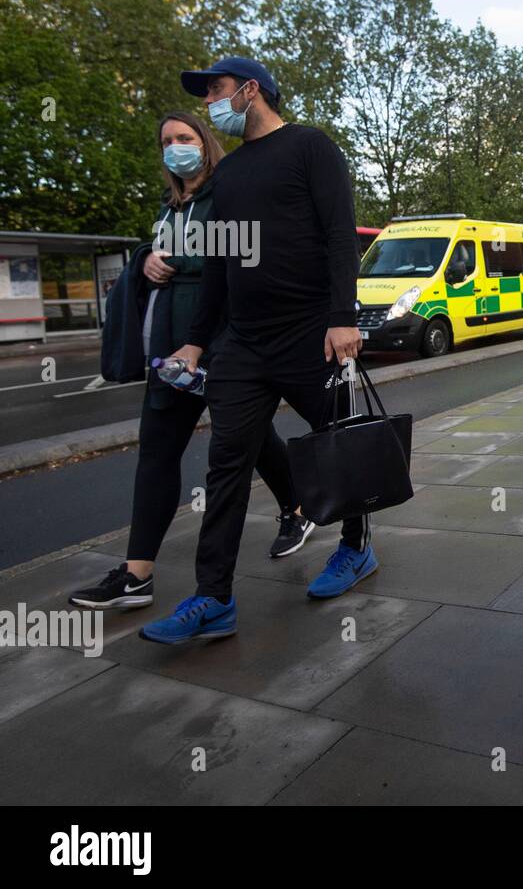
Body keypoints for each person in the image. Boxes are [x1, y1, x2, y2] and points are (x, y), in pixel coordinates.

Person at [139, 57, 376, 644]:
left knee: (342, 448)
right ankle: (213, 598)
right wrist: (196, 341)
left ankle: (354, 549)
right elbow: (219, 261)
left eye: (217, 90)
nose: (211, 102)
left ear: (251, 91)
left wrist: (342, 318)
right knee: (226, 465)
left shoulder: (310, 148)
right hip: (243, 344)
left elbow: (338, 234)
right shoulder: (233, 173)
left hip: (309, 335)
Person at [69, 112, 316, 612]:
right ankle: (137, 575)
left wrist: (180, 260)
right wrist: (145, 258)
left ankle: (294, 510)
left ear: (205, 144)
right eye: (166, 141)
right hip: (171, 349)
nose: (175, 147)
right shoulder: (168, 207)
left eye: (185, 138)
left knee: (246, 440)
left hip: (228, 341)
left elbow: (243, 259)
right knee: (157, 450)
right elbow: (163, 254)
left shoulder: (229, 192)